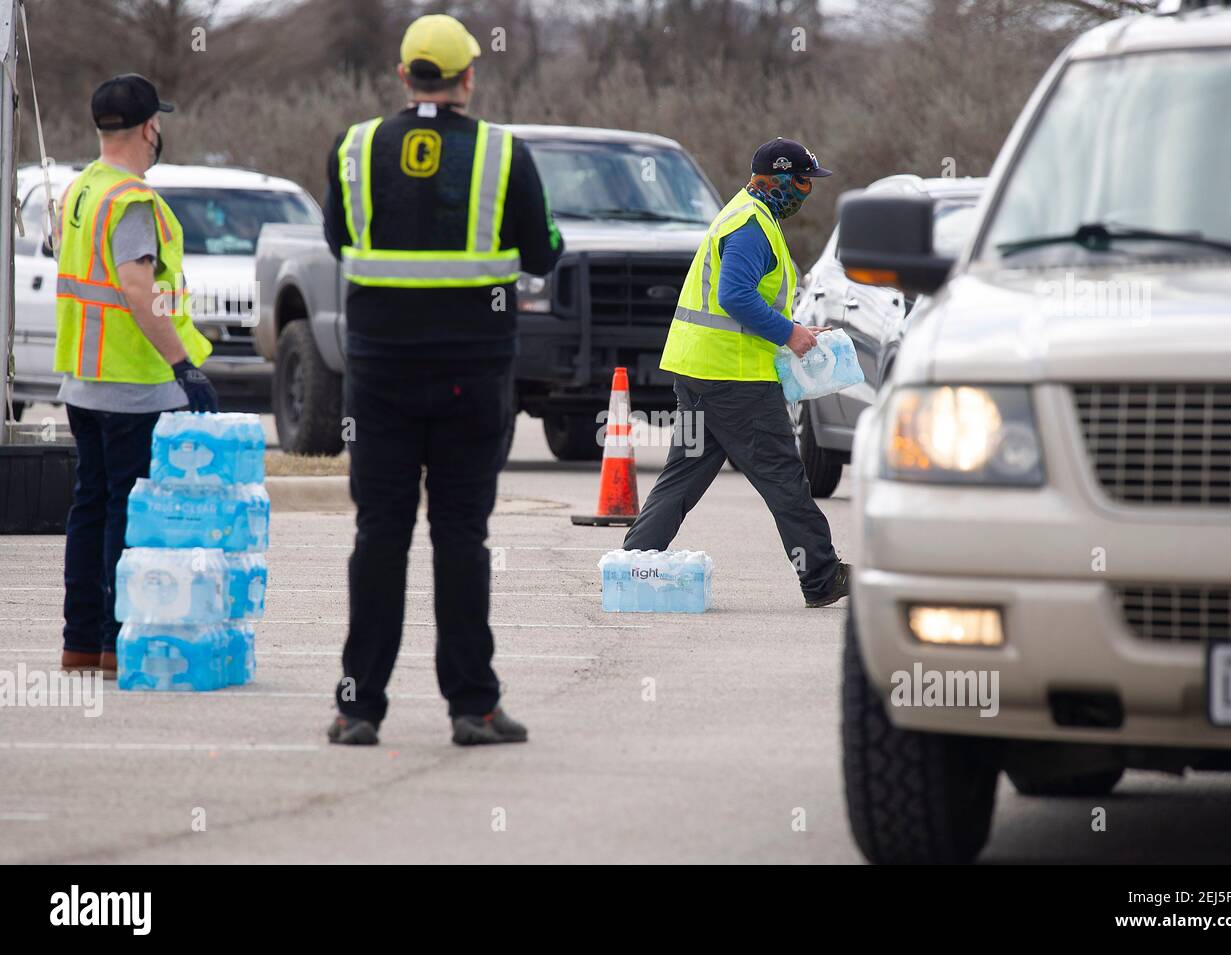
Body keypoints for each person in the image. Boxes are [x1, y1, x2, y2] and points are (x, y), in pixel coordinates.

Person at [324, 15, 563, 746]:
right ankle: (473, 706)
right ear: (468, 78)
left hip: (379, 375)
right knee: (462, 536)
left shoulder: (355, 147)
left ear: (403, 76)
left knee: (379, 534)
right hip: (472, 377)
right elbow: (543, 254)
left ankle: (358, 707)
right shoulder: (502, 152)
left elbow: (339, 239)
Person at [622, 138, 851, 607]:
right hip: (734, 380)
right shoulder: (750, 225)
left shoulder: (747, 213)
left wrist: (792, 327)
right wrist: (789, 334)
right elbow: (735, 297)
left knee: (683, 475)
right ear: (783, 179)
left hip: (700, 371)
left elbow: (744, 299)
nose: (807, 190)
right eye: (804, 180)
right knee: (784, 477)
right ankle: (823, 578)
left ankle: (631, 566)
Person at [55, 74, 219, 677]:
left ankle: (80, 644)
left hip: (83, 380)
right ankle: (114, 642)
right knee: (127, 516)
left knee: (90, 509)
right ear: (150, 127)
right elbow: (134, 287)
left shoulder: (81, 190)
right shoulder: (132, 201)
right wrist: (184, 365)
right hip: (133, 385)